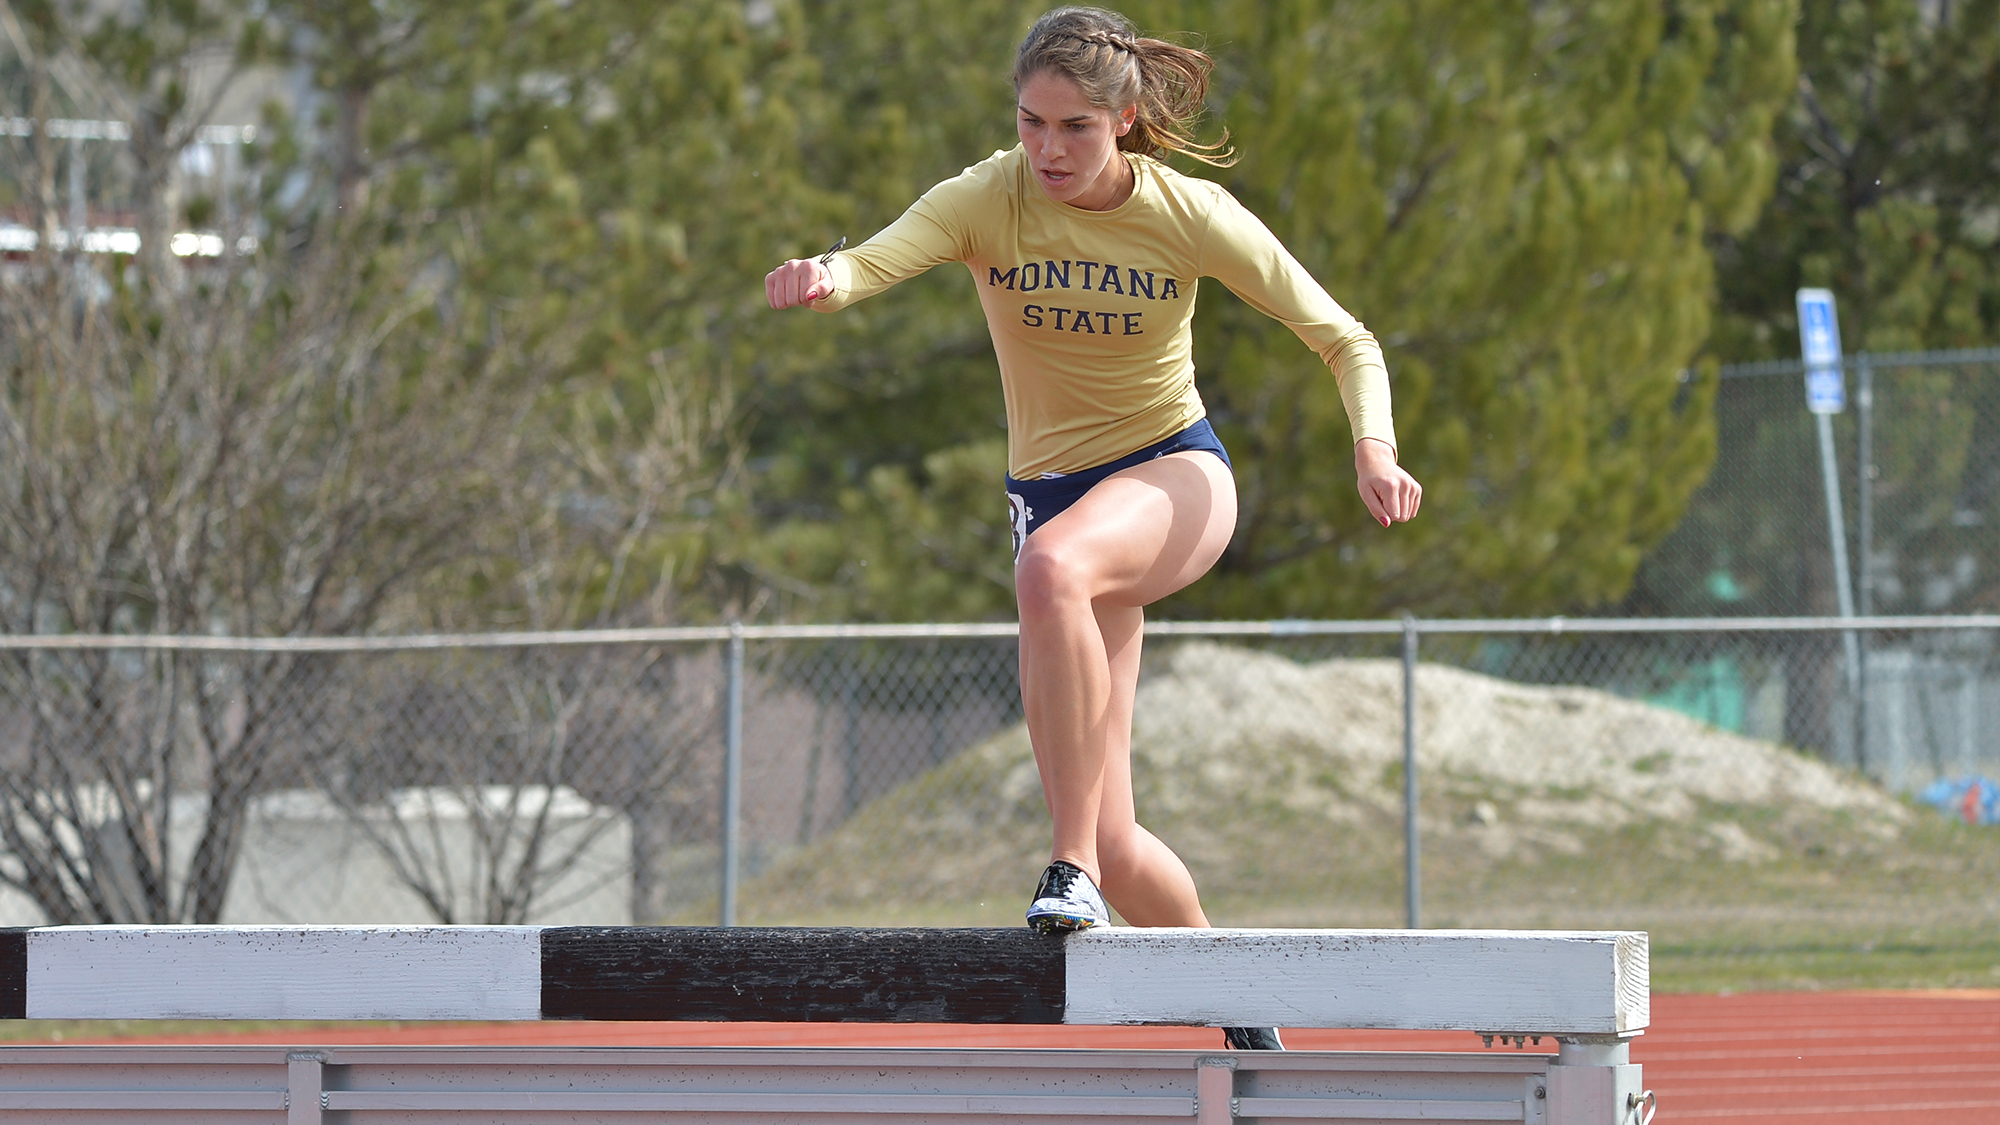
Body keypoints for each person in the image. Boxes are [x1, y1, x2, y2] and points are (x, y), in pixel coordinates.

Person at [767, 6, 1421, 1050]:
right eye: (1030, 123)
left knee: (1054, 571)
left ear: (1121, 120)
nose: (1047, 149)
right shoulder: (990, 196)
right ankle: (1238, 1006)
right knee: (1118, 835)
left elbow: (1343, 338)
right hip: (1051, 502)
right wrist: (823, 276)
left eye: (1072, 127)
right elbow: (876, 261)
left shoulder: (1186, 213)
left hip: (1172, 478)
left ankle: (1062, 868)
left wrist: (1372, 447)